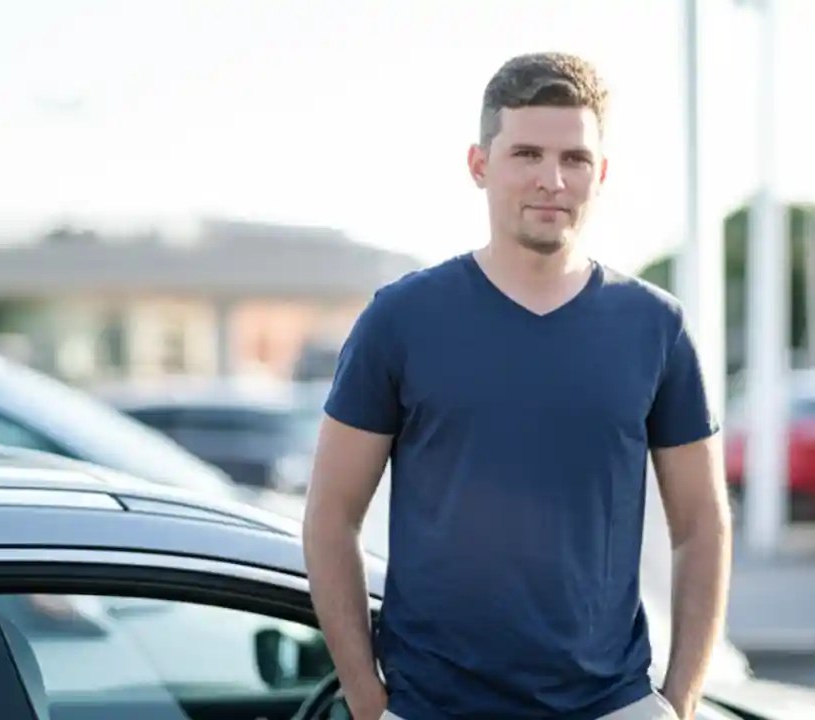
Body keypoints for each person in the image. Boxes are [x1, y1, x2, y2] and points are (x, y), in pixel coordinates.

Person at [303, 51, 731, 720]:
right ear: (480, 165)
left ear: (602, 173)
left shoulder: (656, 327)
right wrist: (367, 701)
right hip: (432, 707)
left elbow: (702, 526)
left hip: (608, 705)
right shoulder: (401, 319)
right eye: (526, 154)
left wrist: (678, 704)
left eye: (575, 159)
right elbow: (331, 516)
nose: (552, 180)